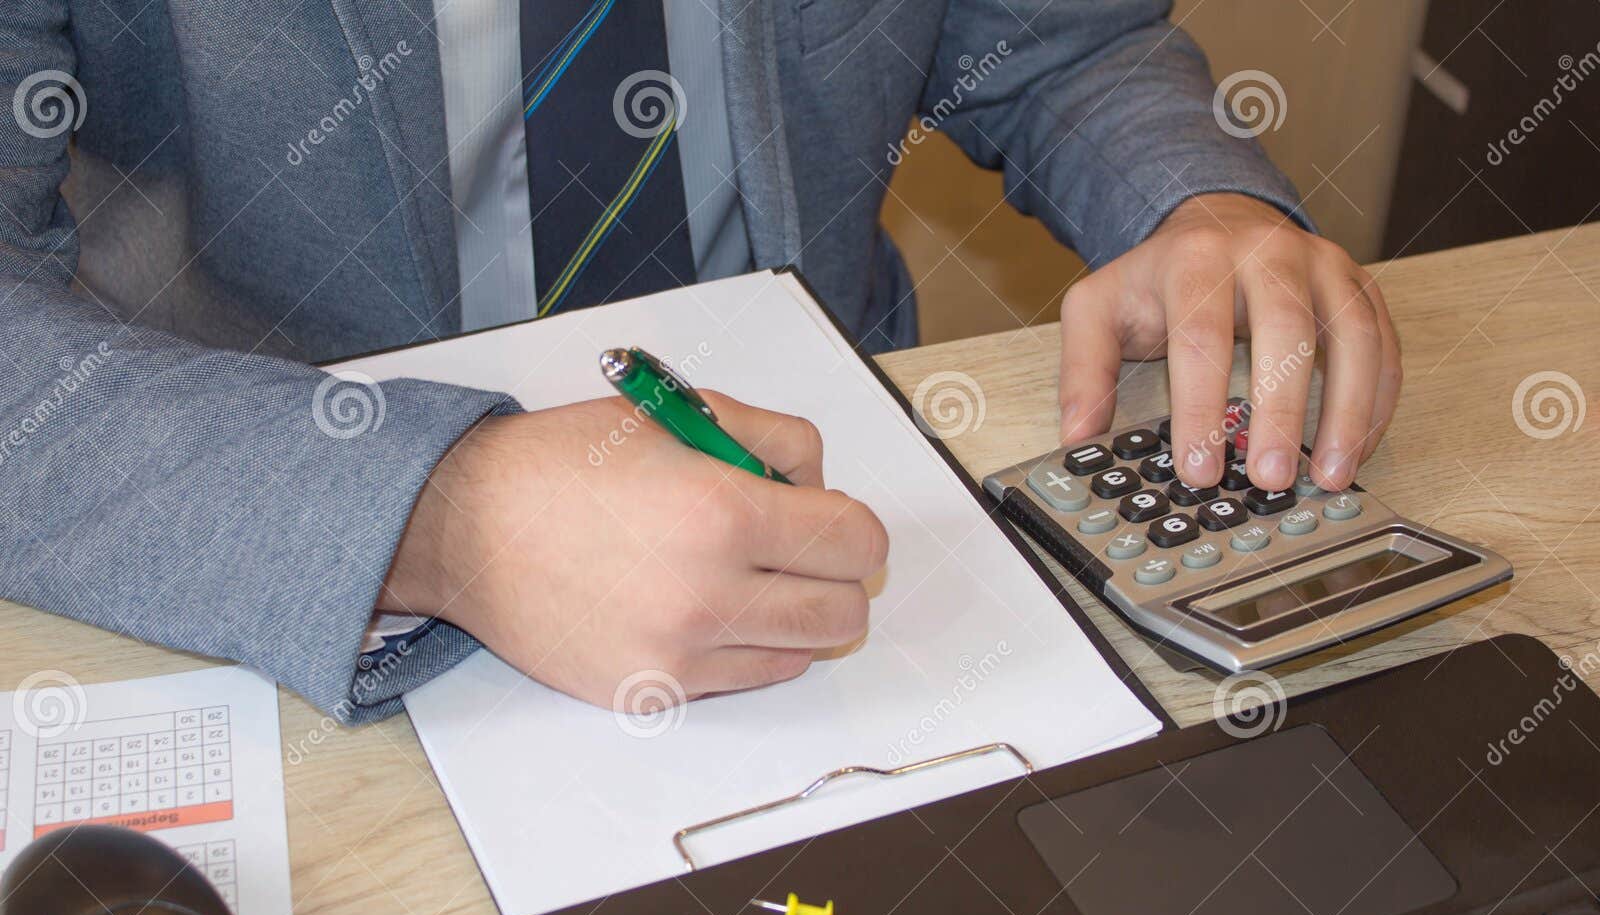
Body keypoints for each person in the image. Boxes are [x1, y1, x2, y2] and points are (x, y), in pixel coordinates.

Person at [0, 1, 1399, 721]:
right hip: (274, 534)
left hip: (844, 512)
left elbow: (1051, 40)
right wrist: (437, 512)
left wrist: (1192, 203)